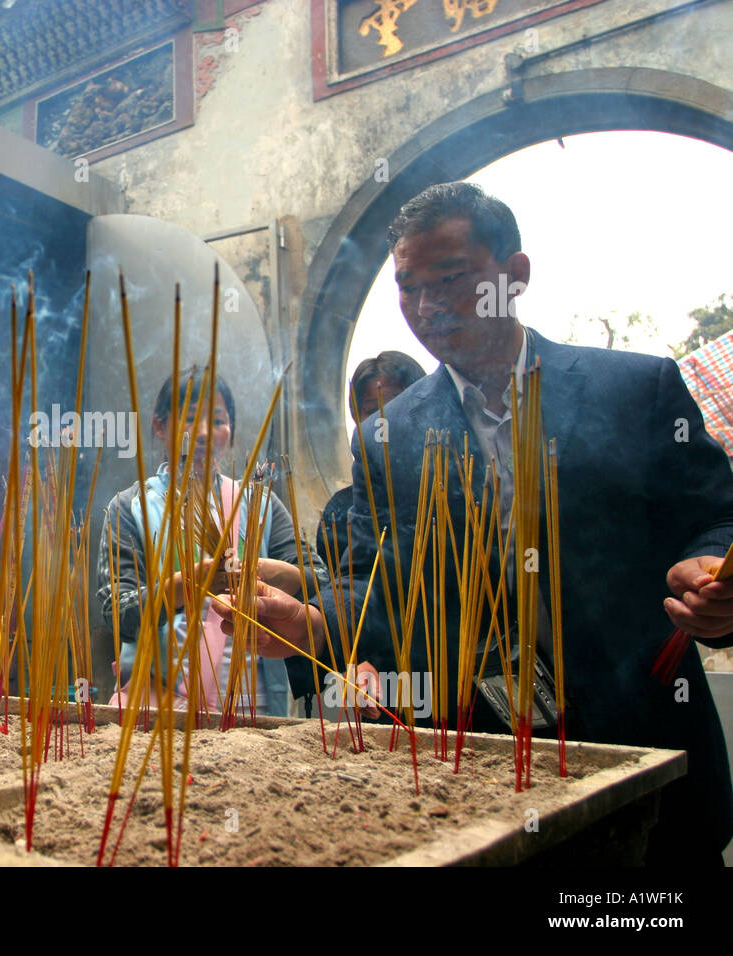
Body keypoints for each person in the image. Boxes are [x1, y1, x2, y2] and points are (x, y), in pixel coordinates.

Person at [237, 182, 733, 864]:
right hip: (480, 769)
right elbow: (372, 584)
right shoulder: (389, 437)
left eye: (452, 277)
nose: (428, 305)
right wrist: (313, 625)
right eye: (409, 287)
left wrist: (711, 575)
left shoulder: (636, 390)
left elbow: (716, 522)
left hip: (642, 752)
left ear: (515, 275)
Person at [96, 367, 326, 717]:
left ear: (230, 430)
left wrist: (273, 574)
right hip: (159, 710)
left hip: (257, 709)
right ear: (160, 426)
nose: (203, 433)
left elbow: (321, 583)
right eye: (189, 418)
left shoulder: (259, 503)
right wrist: (189, 583)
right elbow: (119, 614)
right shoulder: (131, 506)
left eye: (218, 420)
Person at [317, 351, 427, 571]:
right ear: (357, 419)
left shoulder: (450, 498)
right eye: (374, 412)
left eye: (399, 407)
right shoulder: (341, 514)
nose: (387, 422)